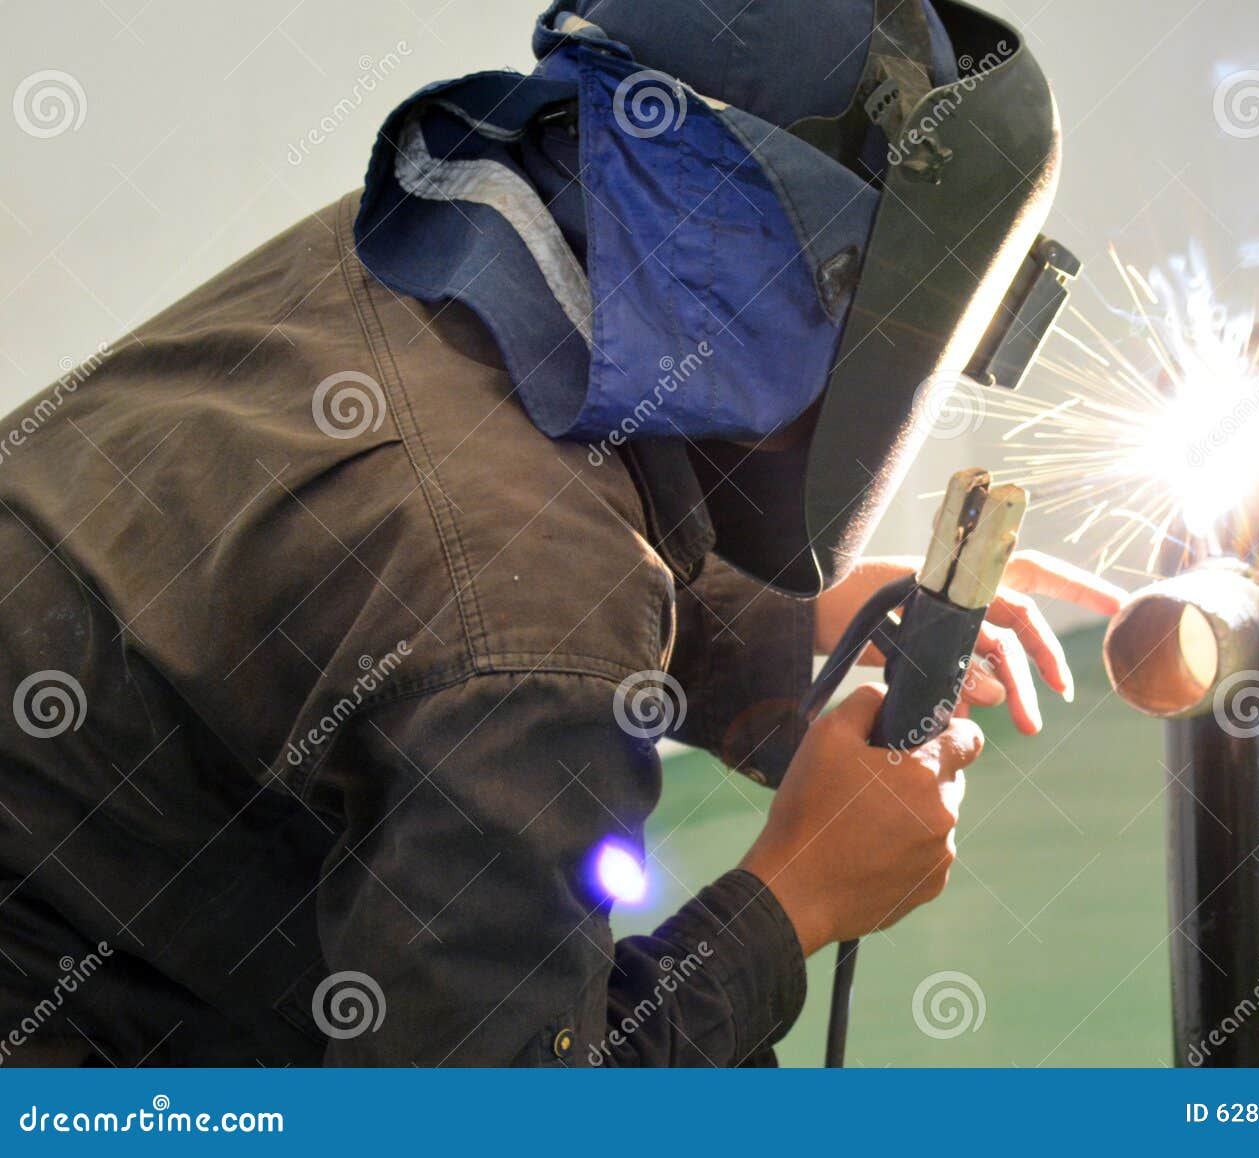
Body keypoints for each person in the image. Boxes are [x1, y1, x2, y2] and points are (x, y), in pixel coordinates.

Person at [0, 0, 1118, 1066]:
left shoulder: (416, 243)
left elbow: (429, 554)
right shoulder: (537, 633)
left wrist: (774, 641)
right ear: (828, 280)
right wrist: (795, 898)